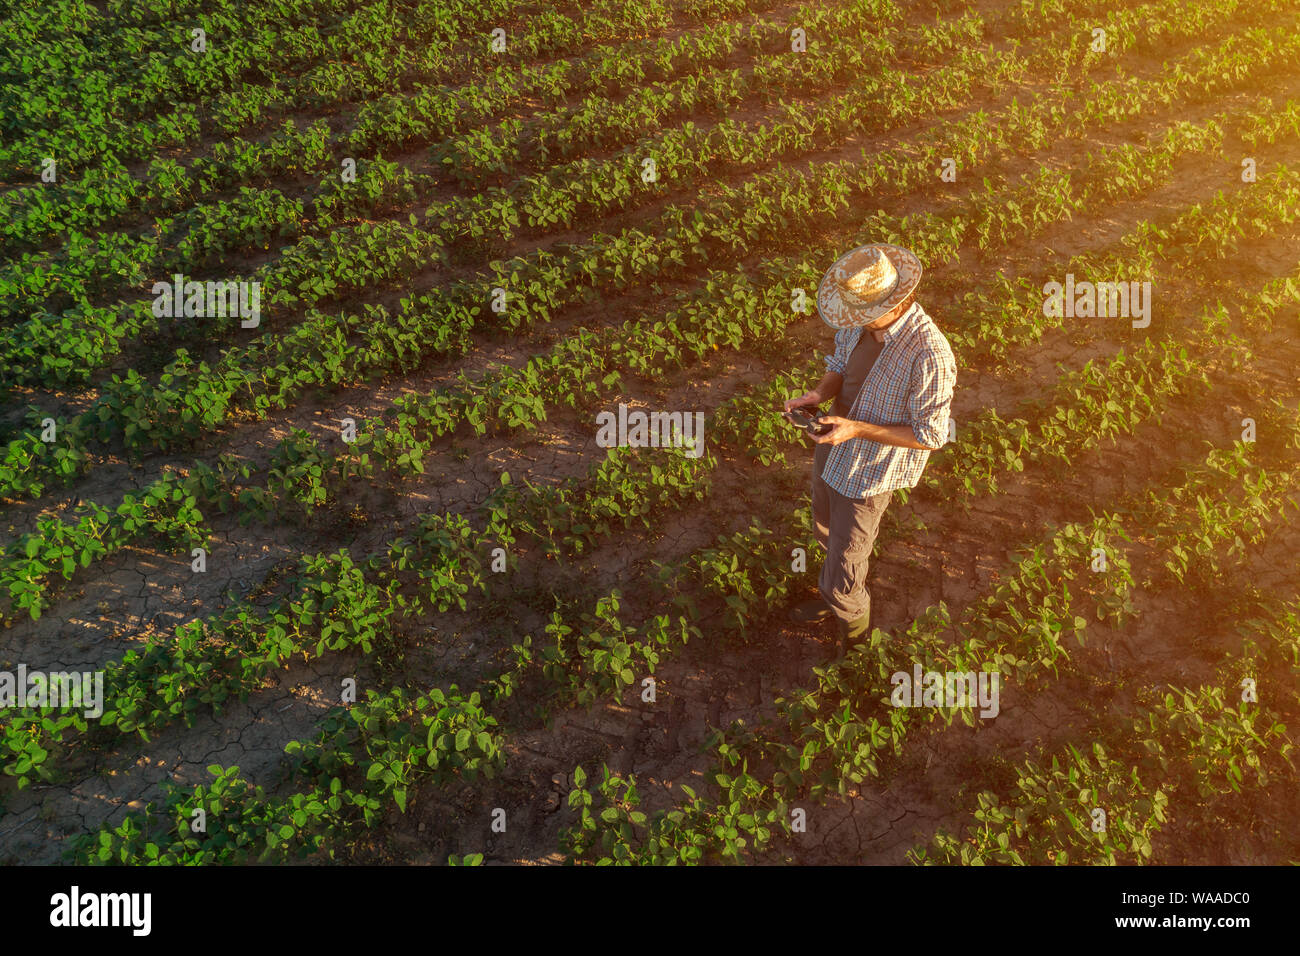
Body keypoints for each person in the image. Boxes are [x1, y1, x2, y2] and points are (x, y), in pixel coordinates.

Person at [783, 243, 957, 658]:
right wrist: (818, 394)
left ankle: (855, 636)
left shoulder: (930, 353)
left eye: (864, 314)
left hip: (870, 470)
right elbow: (840, 365)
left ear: (898, 303)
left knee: (846, 562)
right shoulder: (859, 322)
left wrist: (857, 429)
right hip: (834, 446)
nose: (855, 322)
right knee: (824, 526)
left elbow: (931, 435)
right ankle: (832, 599)